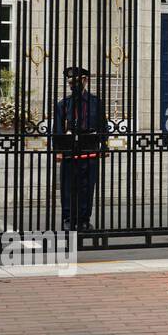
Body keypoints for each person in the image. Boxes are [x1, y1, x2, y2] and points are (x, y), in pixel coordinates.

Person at [52, 65, 107, 231]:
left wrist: (103, 145)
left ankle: (84, 219)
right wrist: (59, 151)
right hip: (69, 150)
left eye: (76, 81)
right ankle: (68, 219)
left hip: (89, 149)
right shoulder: (63, 105)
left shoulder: (96, 102)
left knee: (87, 187)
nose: (73, 85)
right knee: (68, 188)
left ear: (85, 80)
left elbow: (103, 125)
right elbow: (58, 130)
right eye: (70, 82)